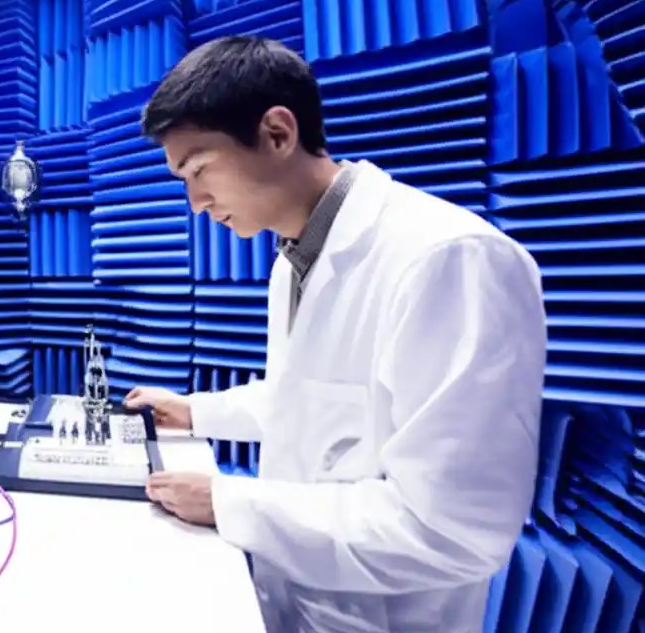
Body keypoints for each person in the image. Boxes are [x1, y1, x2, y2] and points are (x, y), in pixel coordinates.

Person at [125, 36, 547, 632]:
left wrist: (229, 501)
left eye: (198, 170)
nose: (195, 202)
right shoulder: (293, 262)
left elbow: (454, 528)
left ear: (277, 133)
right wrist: (192, 411)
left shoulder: (451, 258)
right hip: (293, 606)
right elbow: (309, 402)